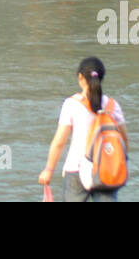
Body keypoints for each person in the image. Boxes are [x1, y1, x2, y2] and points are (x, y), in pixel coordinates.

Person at [38, 56, 127, 202]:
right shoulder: (112, 105)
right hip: (106, 169)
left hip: (76, 170)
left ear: (80, 77)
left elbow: (59, 142)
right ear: (102, 78)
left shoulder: (71, 104)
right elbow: (124, 139)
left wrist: (49, 170)